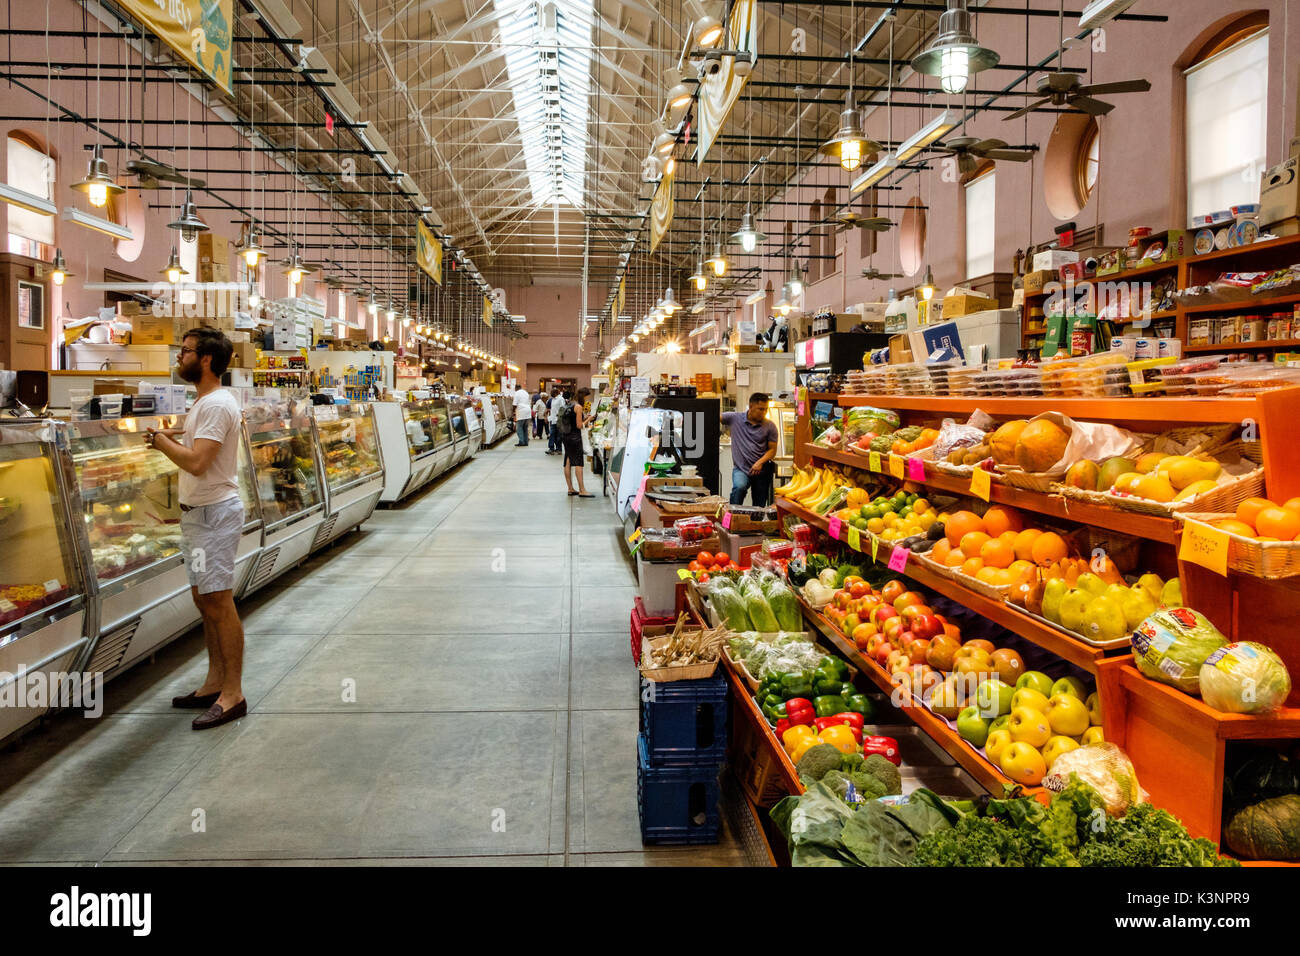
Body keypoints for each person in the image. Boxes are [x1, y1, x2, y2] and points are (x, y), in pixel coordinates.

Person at [145, 328, 248, 731]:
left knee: (220, 603)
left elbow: (198, 463)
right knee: (205, 602)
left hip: (214, 515)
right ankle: (213, 683)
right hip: (198, 515)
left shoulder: (217, 405)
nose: (178, 357)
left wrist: (159, 441)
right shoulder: (205, 403)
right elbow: (196, 444)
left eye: (184, 351)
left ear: (205, 359)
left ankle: (233, 694)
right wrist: (171, 434)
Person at [721, 392, 779, 507]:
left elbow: (772, 450)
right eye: (760, 409)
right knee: (739, 488)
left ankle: (755, 524)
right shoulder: (735, 418)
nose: (764, 412)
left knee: (759, 504)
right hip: (741, 469)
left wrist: (760, 463)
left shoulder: (770, 426)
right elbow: (712, 415)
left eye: (765, 409)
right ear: (751, 406)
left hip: (761, 470)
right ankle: (732, 518)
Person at [561, 387, 593, 496]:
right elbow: (579, 425)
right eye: (587, 397)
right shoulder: (578, 407)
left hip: (566, 436)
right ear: (583, 396)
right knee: (578, 463)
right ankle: (582, 490)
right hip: (575, 437)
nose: (588, 400)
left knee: (568, 461)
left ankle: (570, 488)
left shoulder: (569, 404)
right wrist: (589, 419)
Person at [546, 388, 565, 455]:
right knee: (552, 434)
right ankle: (551, 448)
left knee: (559, 436)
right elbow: (552, 410)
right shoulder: (552, 399)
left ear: (556, 393)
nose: (550, 394)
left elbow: (563, 408)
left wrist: (559, 414)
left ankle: (559, 449)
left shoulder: (560, 399)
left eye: (552, 392)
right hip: (553, 420)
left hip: (559, 420)